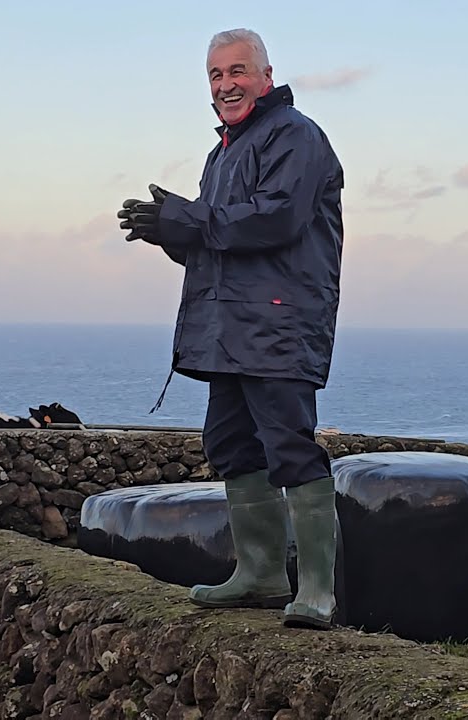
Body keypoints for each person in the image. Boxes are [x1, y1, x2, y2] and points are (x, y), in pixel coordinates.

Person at [116, 27, 344, 630]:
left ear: (266, 77)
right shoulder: (222, 154)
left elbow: (276, 221)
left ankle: (318, 590)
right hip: (229, 328)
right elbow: (215, 243)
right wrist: (168, 229)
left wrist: (187, 218)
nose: (225, 85)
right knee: (231, 444)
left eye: (237, 72)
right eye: (215, 76)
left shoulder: (296, 136)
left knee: (290, 446)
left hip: (279, 322)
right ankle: (262, 574)